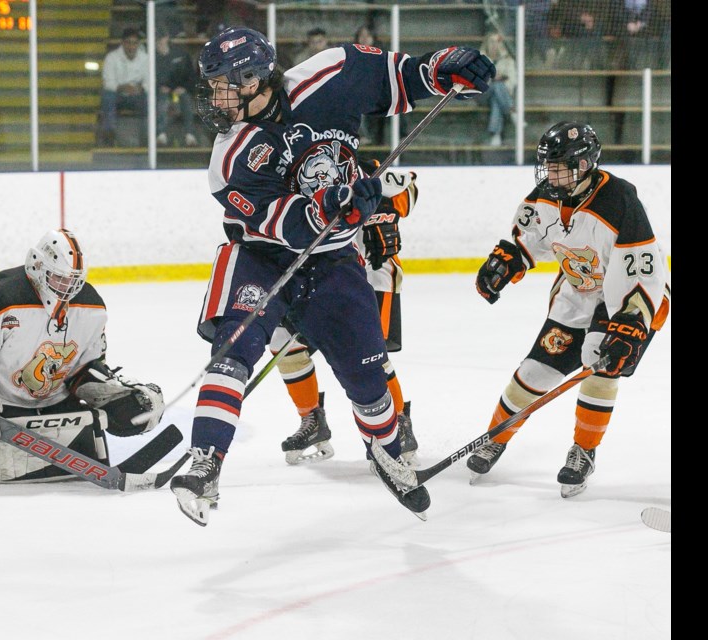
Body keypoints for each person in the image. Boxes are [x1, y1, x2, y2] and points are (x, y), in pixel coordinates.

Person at [168, 26, 495, 525]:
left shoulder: (331, 73)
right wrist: (334, 208)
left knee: (368, 377)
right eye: (212, 85)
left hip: (336, 262)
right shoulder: (230, 155)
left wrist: (442, 66)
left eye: (225, 85)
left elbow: (399, 80)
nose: (217, 97)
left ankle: (386, 449)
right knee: (234, 350)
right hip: (259, 256)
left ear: (256, 79)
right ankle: (205, 461)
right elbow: (290, 226)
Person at [467, 122, 670, 498]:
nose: (551, 173)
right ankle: (496, 436)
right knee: (535, 370)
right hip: (578, 291)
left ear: (585, 164)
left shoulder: (620, 200)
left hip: (627, 297)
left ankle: (584, 451)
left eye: (560, 166)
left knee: (599, 361)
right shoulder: (548, 194)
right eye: (548, 164)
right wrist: (507, 260)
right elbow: (527, 238)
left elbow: (643, 270)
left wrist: (630, 323)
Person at [0, 229, 166, 483]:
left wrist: (114, 396)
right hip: (1, 410)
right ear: (37, 266)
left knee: (139, 404)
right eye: (59, 278)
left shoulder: (91, 308)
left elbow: (88, 367)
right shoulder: (1, 299)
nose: (67, 288)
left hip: (56, 405)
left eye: (74, 281)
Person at [271, 162, 420, 467]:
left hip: (371, 276)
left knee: (372, 356)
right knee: (283, 340)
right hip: (315, 277)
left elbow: (410, 187)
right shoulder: (291, 167)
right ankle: (312, 420)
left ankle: (398, 423)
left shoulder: (365, 166)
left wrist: (384, 210)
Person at [99, 27, 149, 147]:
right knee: (107, 96)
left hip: (137, 95)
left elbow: (150, 81)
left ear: (138, 44)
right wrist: (122, 88)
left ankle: (146, 136)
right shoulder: (111, 57)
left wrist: (140, 89)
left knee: (149, 100)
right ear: (122, 43)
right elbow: (108, 83)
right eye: (128, 43)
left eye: (134, 43)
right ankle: (109, 134)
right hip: (117, 95)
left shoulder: (145, 58)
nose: (131, 46)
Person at [155, 25, 199, 147]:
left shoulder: (180, 54)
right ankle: (161, 134)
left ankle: (190, 135)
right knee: (163, 99)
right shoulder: (151, 58)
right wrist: (160, 87)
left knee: (185, 97)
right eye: (156, 39)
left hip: (179, 92)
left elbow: (191, 77)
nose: (158, 42)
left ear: (166, 38)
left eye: (160, 38)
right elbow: (150, 79)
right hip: (161, 94)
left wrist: (183, 87)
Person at [479, 32, 516, 147]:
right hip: (482, 94)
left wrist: (501, 82)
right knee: (496, 85)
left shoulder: (508, 60)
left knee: (497, 94)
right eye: (492, 42)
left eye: (497, 42)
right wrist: (491, 78)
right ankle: (513, 112)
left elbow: (513, 80)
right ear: (486, 44)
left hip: (499, 94)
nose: (494, 45)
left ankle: (496, 134)